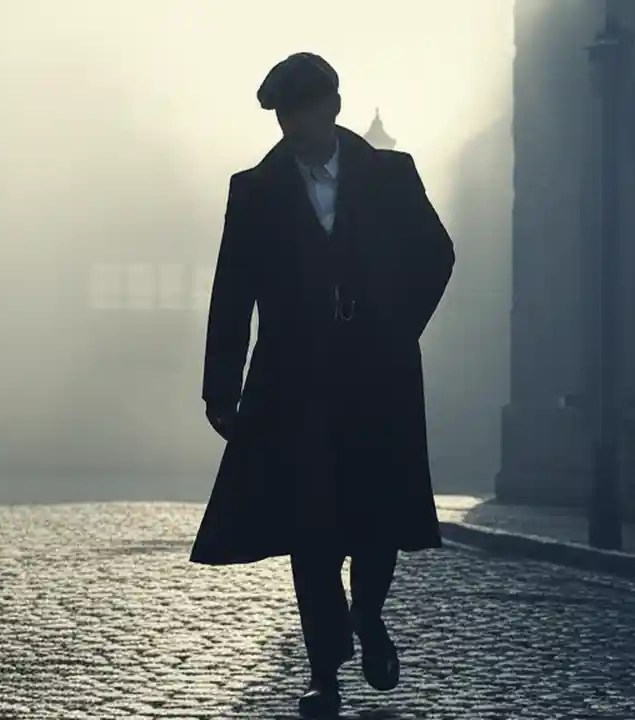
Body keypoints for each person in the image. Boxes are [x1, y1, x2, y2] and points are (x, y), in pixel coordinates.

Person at [189, 51, 455, 718]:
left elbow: (437, 253)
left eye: (303, 112)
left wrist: (397, 327)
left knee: (376, 519)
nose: (293, 127)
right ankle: (323, 674)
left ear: (332, 107)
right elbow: (233, 292)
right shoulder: (254, 190)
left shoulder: (391, 175)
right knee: (310, 526)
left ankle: (368, 615)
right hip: (292, 382)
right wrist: (220, 389)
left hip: (378, 377)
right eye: (283, 116)